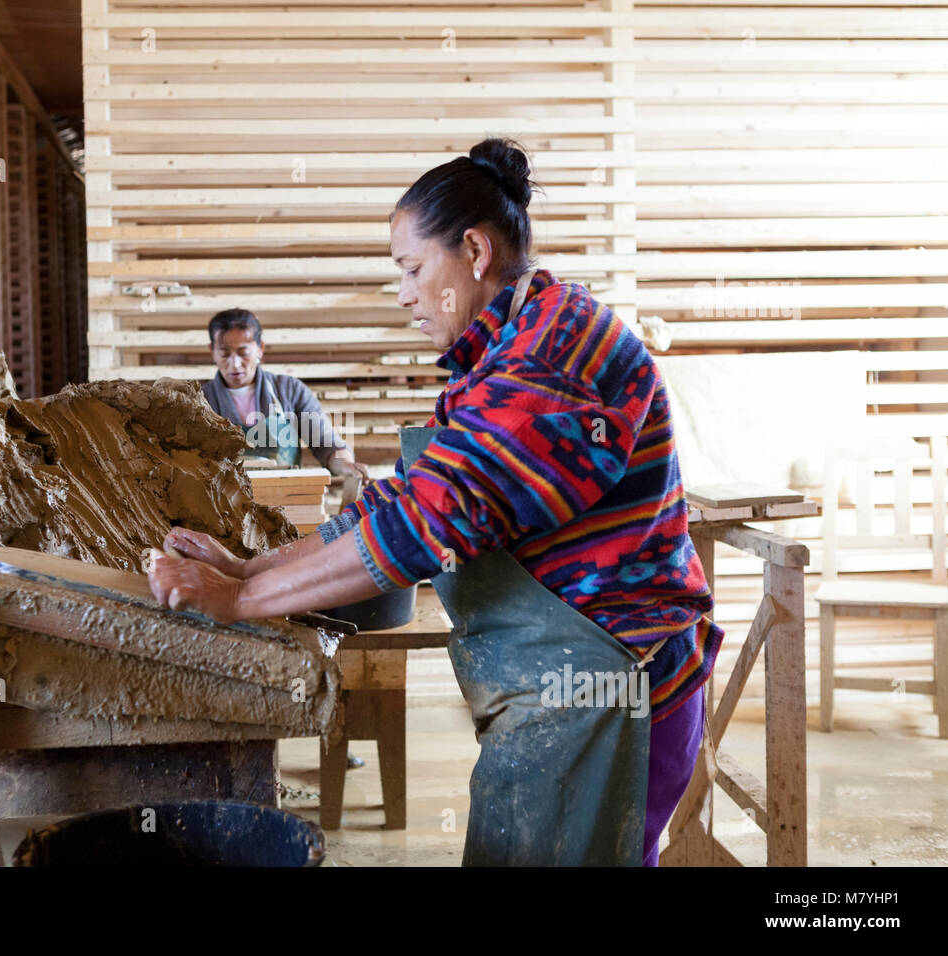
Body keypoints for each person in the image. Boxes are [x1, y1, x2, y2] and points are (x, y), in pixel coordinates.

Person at [149, 138, 722, 867]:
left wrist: (240, 603)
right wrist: (248, 569)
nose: (404, 292)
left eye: (412, 268)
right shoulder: (504, 350)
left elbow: (426, 526)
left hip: (609, 697)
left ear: (474, 252)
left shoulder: (550, 353)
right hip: (562, 700)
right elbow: (393, 508)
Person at [201, 308, 368, 481]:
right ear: (212, 351)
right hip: (221, 505)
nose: (235, 363)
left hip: (286, 501)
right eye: (224, 353)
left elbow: (326, 442)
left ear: (260, 349)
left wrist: (346, 464)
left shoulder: (290, 391)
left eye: (243, 353)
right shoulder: (199, 400)